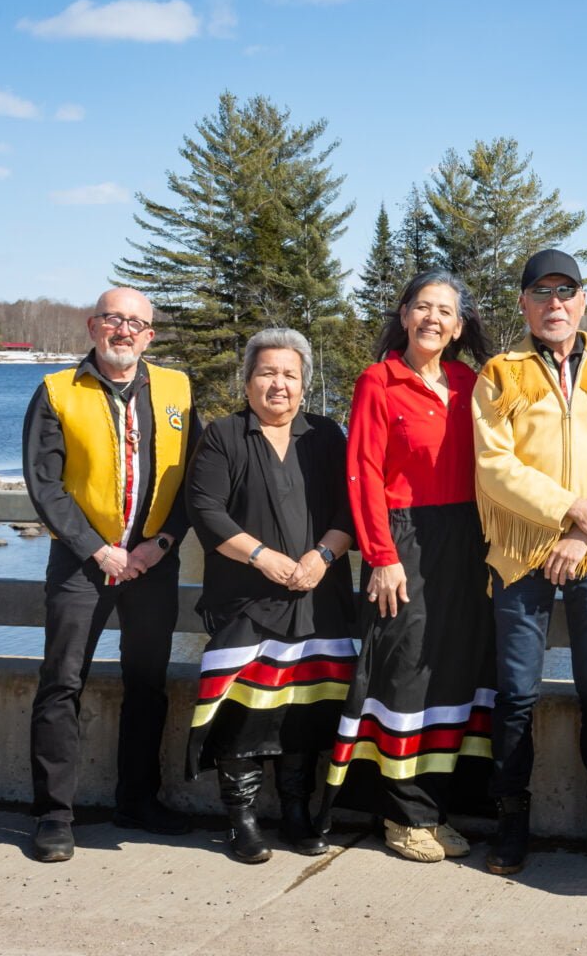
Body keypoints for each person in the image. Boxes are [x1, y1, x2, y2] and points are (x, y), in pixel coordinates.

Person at [472, 248, 587, 875]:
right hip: (520, 554)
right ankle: (510, 825)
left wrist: (584, 530)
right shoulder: (501, 372)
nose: (555, 304)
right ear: (523, 303)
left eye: (566, 292)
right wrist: (567, 511)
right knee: (516, 694)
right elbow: (494, 466)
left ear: (582, 302)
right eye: (541, 293)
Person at [322, 271, 496, 864]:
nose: (433, 319)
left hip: (466, 540)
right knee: (404, 672)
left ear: (460, 324)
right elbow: (362, 472)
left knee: (452, 670)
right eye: (423, 307)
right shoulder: (378, 381)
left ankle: (433, 805)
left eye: (446, 311)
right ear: (402, 315)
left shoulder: (470, 382)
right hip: (405, 539)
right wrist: (381, 556)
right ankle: (400, 812)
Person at [22, 286, 199, 862]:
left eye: (135, 322)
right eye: (112, 319)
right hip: (81, 564)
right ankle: (54, 815)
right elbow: (44, 486)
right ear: (92, 326)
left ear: (150, 335)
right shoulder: (55, 391)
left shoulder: (177, 389)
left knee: (147, 683)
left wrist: (162, 543)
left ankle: (138, 800)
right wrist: (98, 550)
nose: (123, 330)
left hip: (152, 563)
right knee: (62, 682)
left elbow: (194, 479)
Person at [184, 329, 355, 863]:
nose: (278, 385)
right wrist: (263, 557)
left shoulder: (326, 436)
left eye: (289, 375)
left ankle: (297, 811)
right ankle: (243, 820)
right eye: (266, 373)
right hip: (246, 599)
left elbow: (352, 509)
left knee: (305, 708)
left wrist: (320, 558)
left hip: (317, 597)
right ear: (248, 380)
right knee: (243, 709)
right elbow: (206, 510)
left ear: (304, 384)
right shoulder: (225, 436)